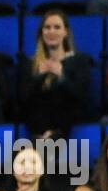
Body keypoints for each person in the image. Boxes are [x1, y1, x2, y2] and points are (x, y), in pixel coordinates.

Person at [19, 10, 97, 138]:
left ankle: (50, 137)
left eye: (57, 27)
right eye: (47, 27)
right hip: (36, 127)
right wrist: (39, 77)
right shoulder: (30, 64)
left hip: (65, 126)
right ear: (41, 32)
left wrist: (62, 77)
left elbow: (82, 97)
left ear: (65, 32)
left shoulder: (79, 61)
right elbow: (22, 99)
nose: (52, 32)